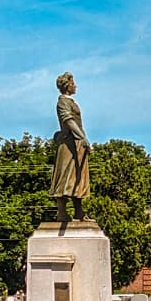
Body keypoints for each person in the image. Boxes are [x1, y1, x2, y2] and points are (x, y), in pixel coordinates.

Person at [50, 71, 90, 221]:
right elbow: (68, 120)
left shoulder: (71, 102)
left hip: (77, 145)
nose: (76, 86)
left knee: (78, 179)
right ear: (67, 86)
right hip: (68, 145)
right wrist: (82, 136)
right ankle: (61, 212)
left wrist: (81, 140)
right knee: (64, 178)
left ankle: (79, 212)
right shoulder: (63, 102)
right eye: (73, 84)